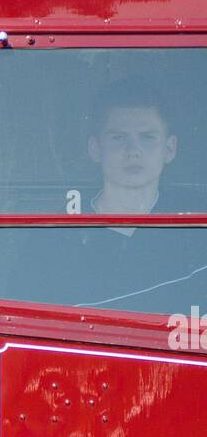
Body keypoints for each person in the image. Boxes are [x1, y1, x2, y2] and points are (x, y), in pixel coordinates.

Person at [11, 76, 206, 311]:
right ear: (95, 148)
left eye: (147, 138)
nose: (133, 151)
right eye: (118, 138)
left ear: (169, 148)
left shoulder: (195, 231)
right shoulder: (55, 238)